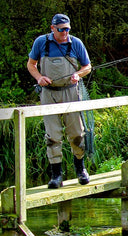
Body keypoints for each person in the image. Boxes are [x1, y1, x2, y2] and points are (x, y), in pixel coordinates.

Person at [26, 14, 92, 188]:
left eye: (67, 29)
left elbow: (87, 66)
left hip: (71, 93)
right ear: (52, 28)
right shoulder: (41, 42)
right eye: (61, 29)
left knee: (77, 133)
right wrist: (39, 78)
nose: (65, 33)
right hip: (49, 94)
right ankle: (56, 175)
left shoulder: (76, 43)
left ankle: (81, 170)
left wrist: (78, 74)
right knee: (53, 136)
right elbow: (31, 64)